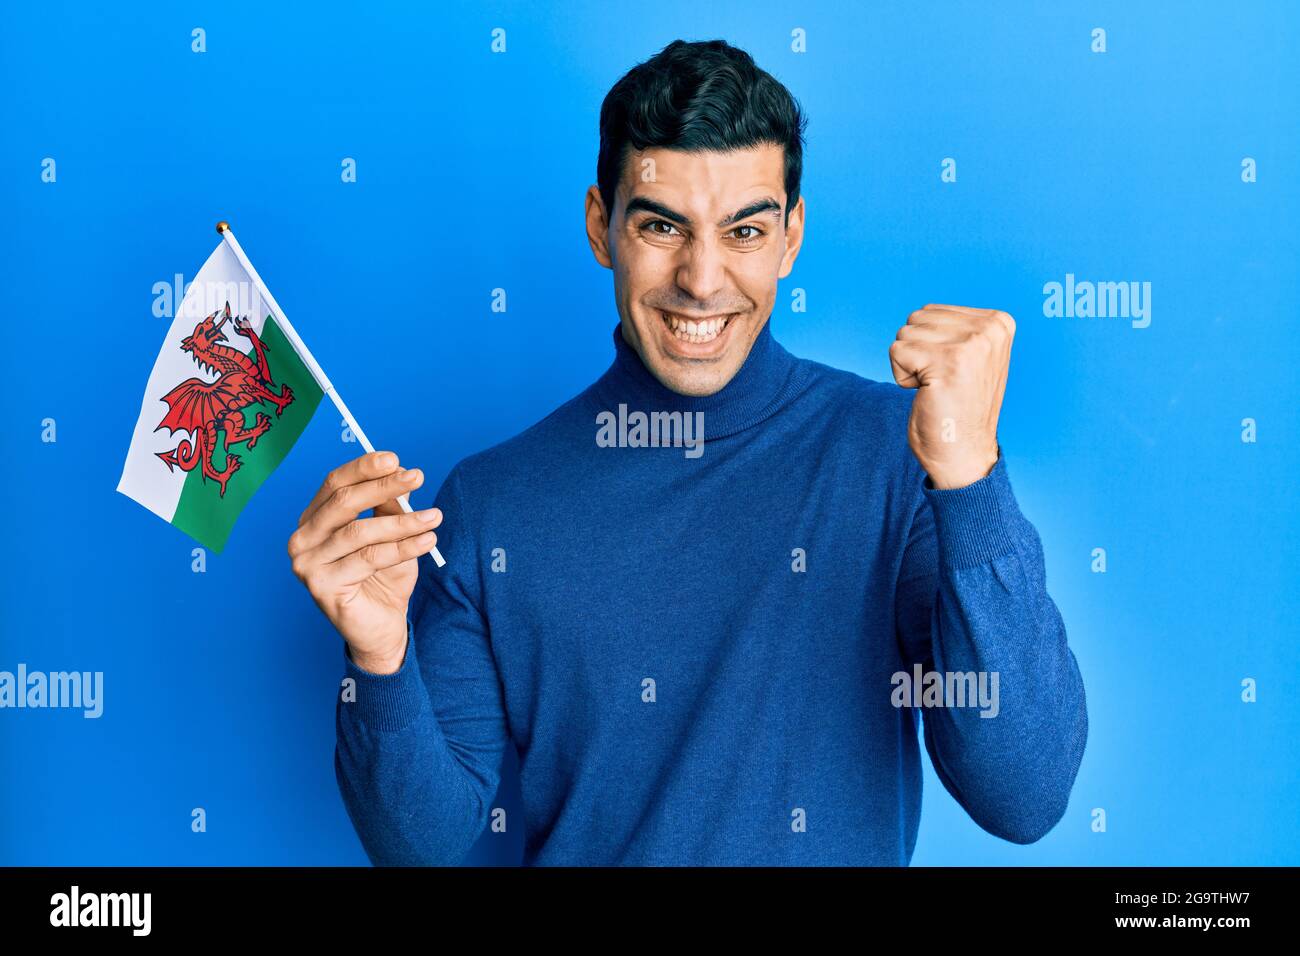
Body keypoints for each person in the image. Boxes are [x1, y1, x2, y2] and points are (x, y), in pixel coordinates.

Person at [288, 38, 1088, 866]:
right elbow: (430, 851)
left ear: (791, 237)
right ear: (602, 227)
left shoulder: (899, 456)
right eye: (663, 226)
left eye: (744, 230)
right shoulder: (491, 503)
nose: (702, 280)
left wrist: (969, 480)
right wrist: (379, 659)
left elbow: (1024, 795)